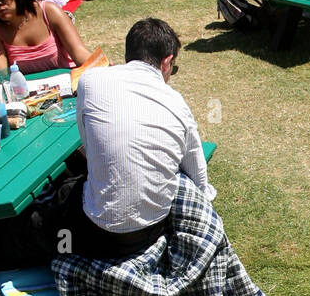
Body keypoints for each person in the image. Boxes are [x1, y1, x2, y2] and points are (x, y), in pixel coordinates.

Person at [65, 17, 214, 258]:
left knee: (54, 203)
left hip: (97, 227)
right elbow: (198, 175)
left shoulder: (90, 80)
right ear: (166, 62)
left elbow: (87, 145)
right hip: (151, 228)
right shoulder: (176, 102)